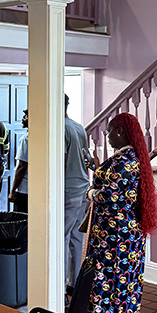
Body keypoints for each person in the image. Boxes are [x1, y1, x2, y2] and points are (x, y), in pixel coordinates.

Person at [81, 112, 157, 313]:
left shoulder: (125, 161)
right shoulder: (129, 158)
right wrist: (97, 169)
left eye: (109, 132)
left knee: (105, 282)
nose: (107, 136)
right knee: (125, 286)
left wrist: (91, 193)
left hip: (114, 238)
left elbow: (110, 197)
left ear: (120, 132)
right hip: (126, 236)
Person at [64, 94, 90, 292]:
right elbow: (86, 157)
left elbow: (61, 160)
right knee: (76, 238)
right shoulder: (79, 127)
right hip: (82, 186)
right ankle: (74, 284)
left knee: (62, 238)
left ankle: (60, 287)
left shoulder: (59, 128)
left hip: (68, 187)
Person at [8, 109, 28, 213]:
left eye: (26, 116)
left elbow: (22, 167)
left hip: (24, 191)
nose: (22, 119)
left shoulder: (26, 139)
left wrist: (12, 191)